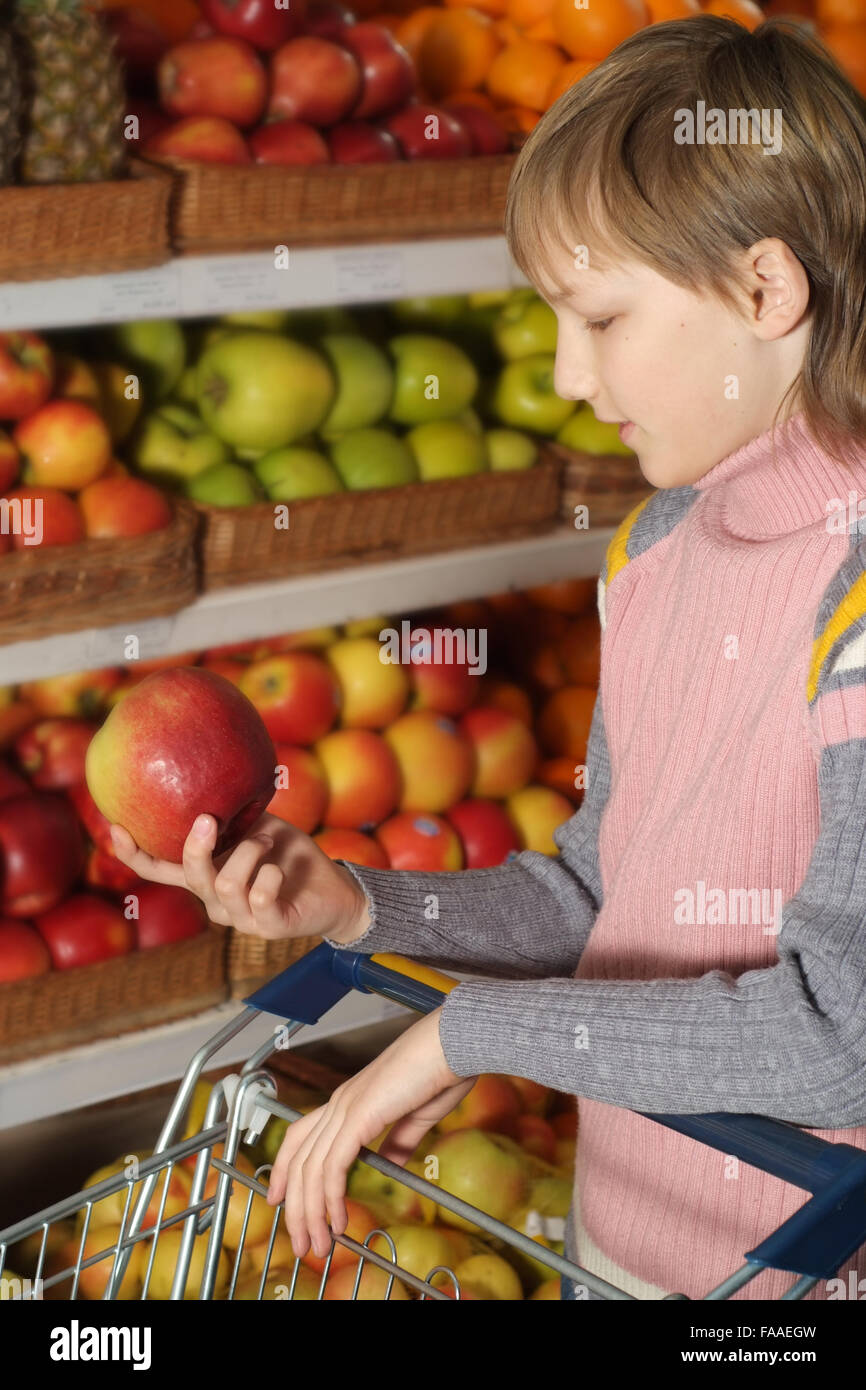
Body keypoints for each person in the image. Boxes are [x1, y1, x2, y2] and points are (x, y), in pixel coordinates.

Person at [111, 14, 866, 1302]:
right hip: (610, 1247)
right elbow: (596, 904)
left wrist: (471, 1032)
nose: (570, 373)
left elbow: (838, 1038)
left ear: (767, 290)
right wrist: (359, 908)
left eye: (604, 317)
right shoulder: (654, 555)